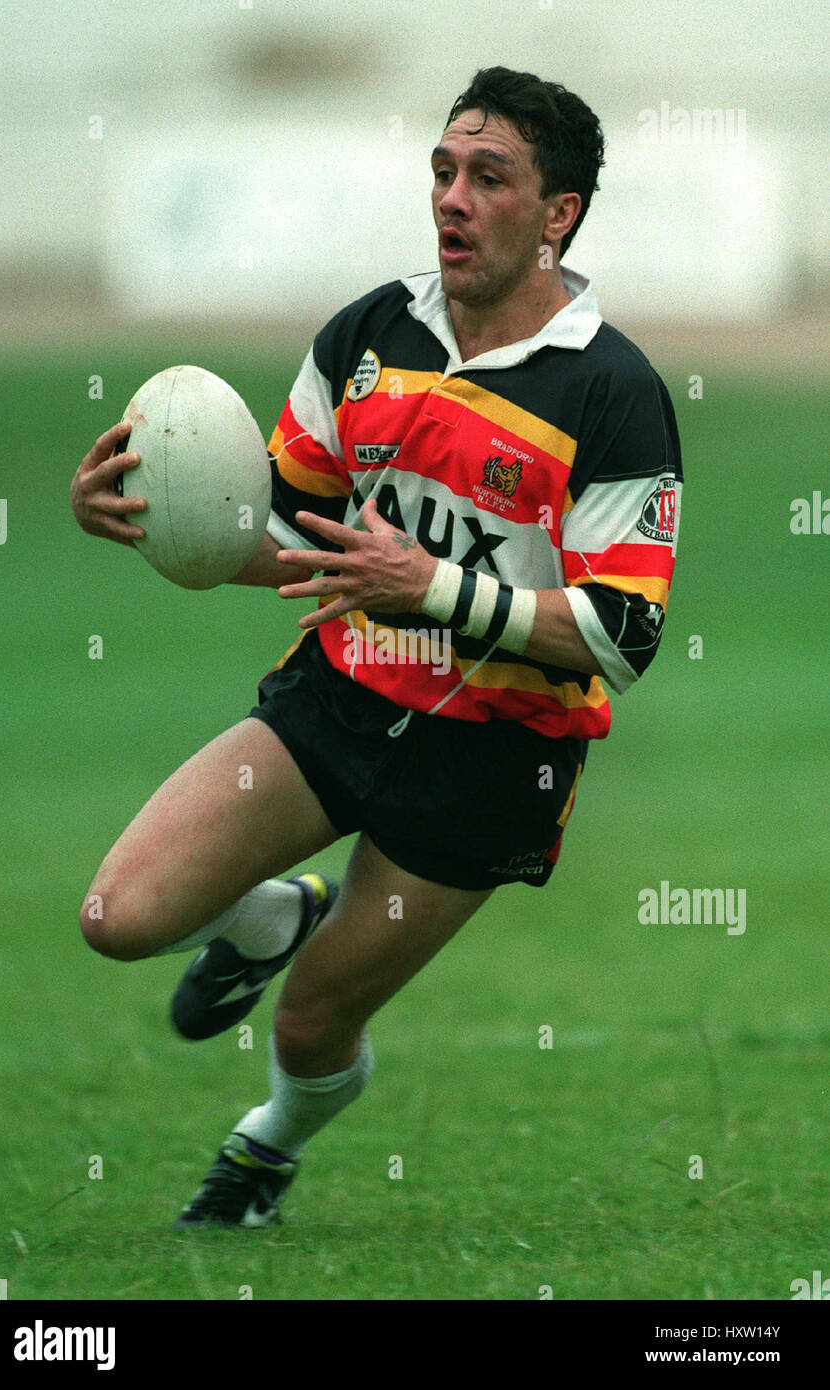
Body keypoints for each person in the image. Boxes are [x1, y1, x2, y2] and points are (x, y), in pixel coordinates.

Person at [70, 65, 682, 1229]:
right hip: (336, 702)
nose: (451, 198)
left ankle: (266, 1149)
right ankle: (269, 912)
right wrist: (146, 519)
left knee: (308, 1025)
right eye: (443, 171)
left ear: (557, 214)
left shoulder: (613, 393)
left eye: (488, 177)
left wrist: (436, 587)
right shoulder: (368, 333)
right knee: (120, 917)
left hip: (491, 762)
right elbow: (291, 540)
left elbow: (618, 635)